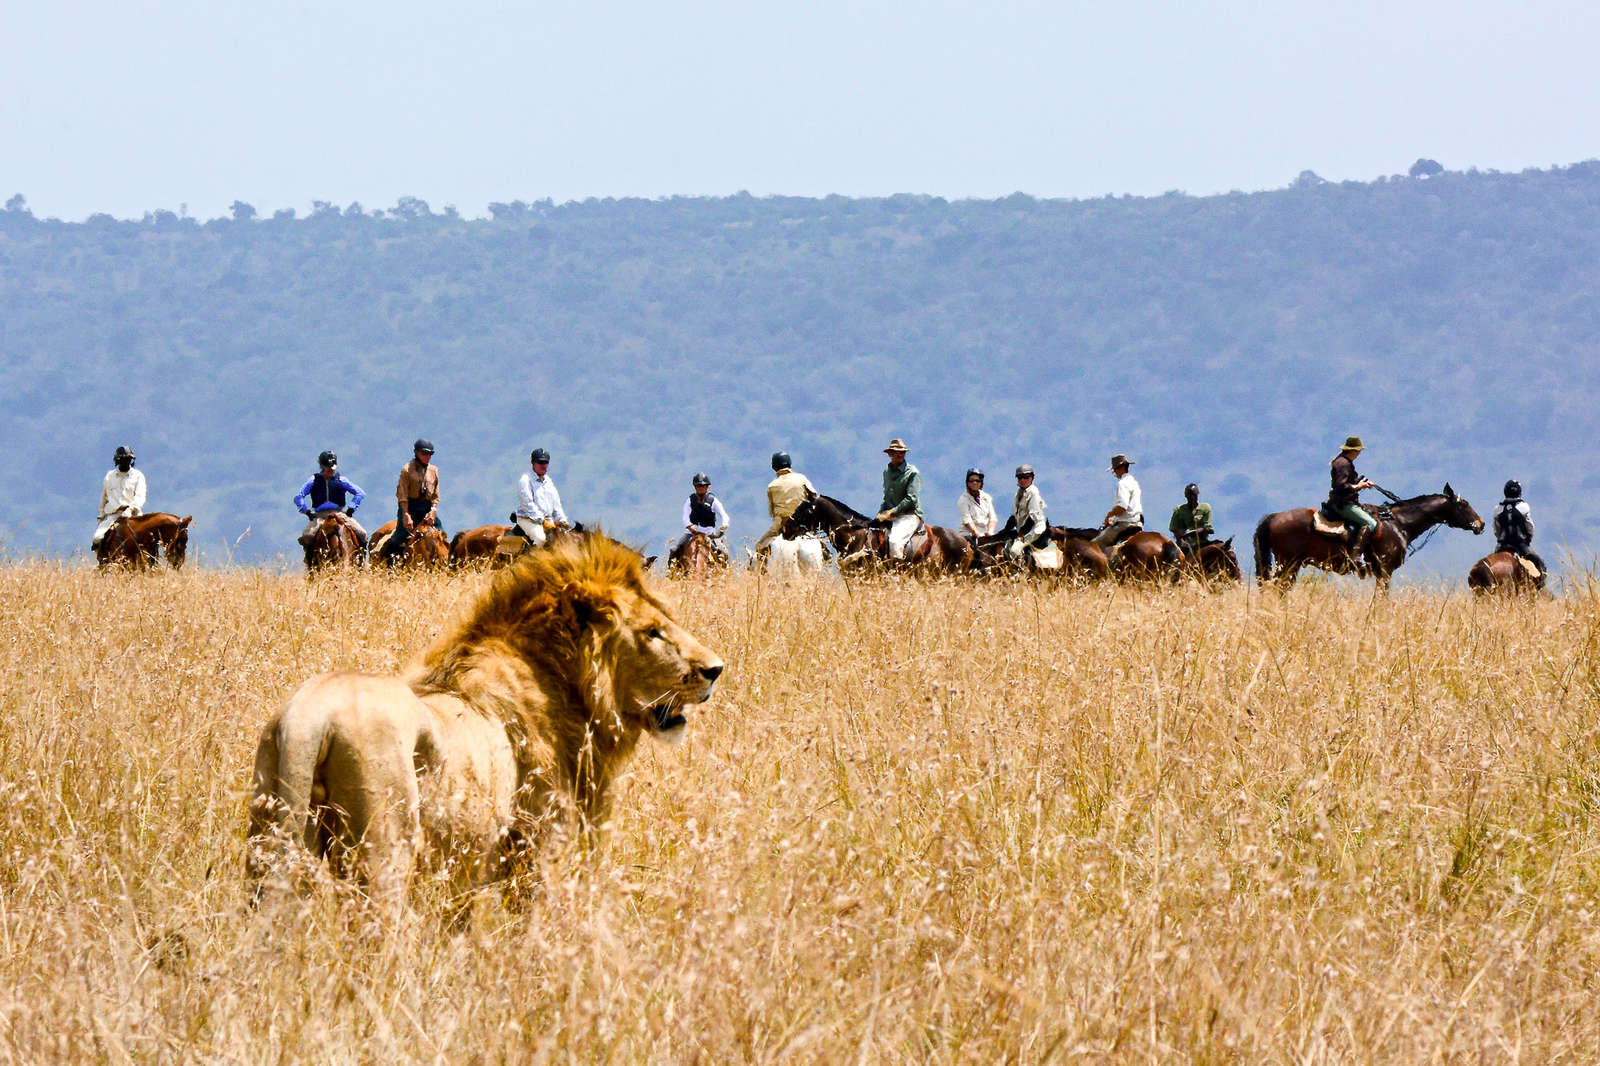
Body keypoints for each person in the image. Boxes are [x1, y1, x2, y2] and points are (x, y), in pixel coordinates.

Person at [294, 450, 369, 558]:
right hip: (320, 516)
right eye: (327, 468)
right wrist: (306, 510)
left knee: (362, 534)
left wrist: (352, 508)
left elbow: (359, 493)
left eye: (332, 468)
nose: (330, 471)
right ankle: (310, 564)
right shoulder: (313, 481)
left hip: (339, 514)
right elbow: (299, 497)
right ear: (322, 466)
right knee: (308, 536)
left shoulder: (342, 480)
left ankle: (361, 561)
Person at [381, 438, 440, 562]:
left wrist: (433, 510)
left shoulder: (434, 470)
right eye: (424, 453)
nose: (427, 456)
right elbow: (402, 494)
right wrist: (406, 514)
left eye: (430, 454)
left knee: (441, 534)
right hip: (411, 507)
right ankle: (388, 562)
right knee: (400, 536)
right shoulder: (407, 470)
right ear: (416, 453)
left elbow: (435, 494)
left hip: (427, 507)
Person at [1326, 435, 1378, 562]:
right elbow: (1340, 486)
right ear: (1354, 450)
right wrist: (1358, 486)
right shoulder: (1343, 463)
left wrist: (1362, 482)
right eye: (1359, 450)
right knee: (1371, 523)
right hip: (1343, 504)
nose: (1360, 453)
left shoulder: (1344, 462)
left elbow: (1350, 482)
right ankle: (1355, 556)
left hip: (1345, 501)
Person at [754, 451, 816, 555]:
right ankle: (826, 556)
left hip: (782, 524)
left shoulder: (772, 486)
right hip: (804, 523)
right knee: (821, 546)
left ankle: (762, 569)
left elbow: (772, 512)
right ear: (790, 463)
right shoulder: (802, 479)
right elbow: (814, 496)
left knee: (760, 546)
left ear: (774, 467)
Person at [875, 438, 923, 561]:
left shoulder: (912, 473)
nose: (900, 454)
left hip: (909, 515)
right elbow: (887, 497)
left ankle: (898, 576)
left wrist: (891, 512)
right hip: (891, 515)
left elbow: (911, 499)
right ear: (890, 454)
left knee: (895, 542)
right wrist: (880, 513)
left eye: (902, 452)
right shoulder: (887, 472)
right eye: (897, 452)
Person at [514, 447, 570, 548]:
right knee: (540, 539)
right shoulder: (525, 480)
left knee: (565, 540)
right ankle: (529, 562)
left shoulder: (548, 481)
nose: (543, 466)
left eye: (545, 463)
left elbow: (556, 504)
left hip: (548, 520)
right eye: (540, 462)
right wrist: (542, 521)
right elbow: (527, 505)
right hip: (528, 519)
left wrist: (562, 520)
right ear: (533, 463)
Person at [93, 445, 147, 549]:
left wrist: (131, 509)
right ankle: (103, 562)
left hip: (134, 516)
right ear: (117, 461)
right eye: (123, 459)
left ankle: (150, 561)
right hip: (114, 515)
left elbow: (140, 496)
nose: (126, 462)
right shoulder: (109, 476)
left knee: (146, 540)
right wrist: (101, 515)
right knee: (97, 538)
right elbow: (104, 497)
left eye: (128, 459)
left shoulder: (138, 476)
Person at [1494, 479, 1547, 576]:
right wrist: (1529, 537)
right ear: (1519, 492)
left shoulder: (1498, 509)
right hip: (1520, 545)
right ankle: (1540, 584)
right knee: (1540, 563)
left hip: (1502, 545)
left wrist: (1500, 538)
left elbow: (1497, 529)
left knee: (1492, 562)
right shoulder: (1524, 507)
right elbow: (1529, 526)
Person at [673, 472, 731, 560]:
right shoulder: (690, 500)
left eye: (703, 486)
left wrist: (724, 525)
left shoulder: (713, 500)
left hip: (709, 534)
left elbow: (724, 515)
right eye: (698, 486)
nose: (700, 488)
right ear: (695, 487)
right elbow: (685, 516)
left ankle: (726, 571)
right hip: (691, 533)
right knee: (675, 550)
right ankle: (671, 571)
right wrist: (689, 526)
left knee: (724, 553)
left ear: (707, 487)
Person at [1092, 454, 1143, 551]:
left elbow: (1122, 507)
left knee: (1094, 545)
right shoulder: (1134, 482)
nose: (1115, 472)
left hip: (1125, 523)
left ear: (1121, 468)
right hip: (1137, 521)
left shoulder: (1122, 484)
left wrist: (1109, 515)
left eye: (1115, 469)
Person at [1006, 464, 1047, 560]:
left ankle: (1022, 571)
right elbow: (1014, 516)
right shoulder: (1019, 493)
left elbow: (1032, 519)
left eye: (1026, 477)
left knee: (1015, 550)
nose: (1023, 480)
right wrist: (1005, 530)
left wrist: (1021, 534)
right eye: (1020, 478)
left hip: (1034, 529)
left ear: (1032, 478)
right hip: (1021, 529)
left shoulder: (1033, 493)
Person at [1168, 483, 1214, 555]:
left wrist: (1191, 532)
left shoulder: (1205, 508)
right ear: (1186, 496)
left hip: (1203, 543)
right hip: (1185, 546)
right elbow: (1174, 528)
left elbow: (1207, 527)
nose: (1192, 497)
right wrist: (1182, 540)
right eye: (1189, 495)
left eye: (1194, 495)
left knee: (1222, 548)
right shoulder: (1179, 510)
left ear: (1198, 494)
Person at [958, 468, 997, 543]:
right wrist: (977, 534)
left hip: (985, 535)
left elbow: (993, 518)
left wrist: (990, 531)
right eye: (971, 481)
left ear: (981, 483)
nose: (974, 483)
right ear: (967, 483)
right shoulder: (963, 500)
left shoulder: (986, 497)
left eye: (977, 481)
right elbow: (967, 521)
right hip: (968, 535)